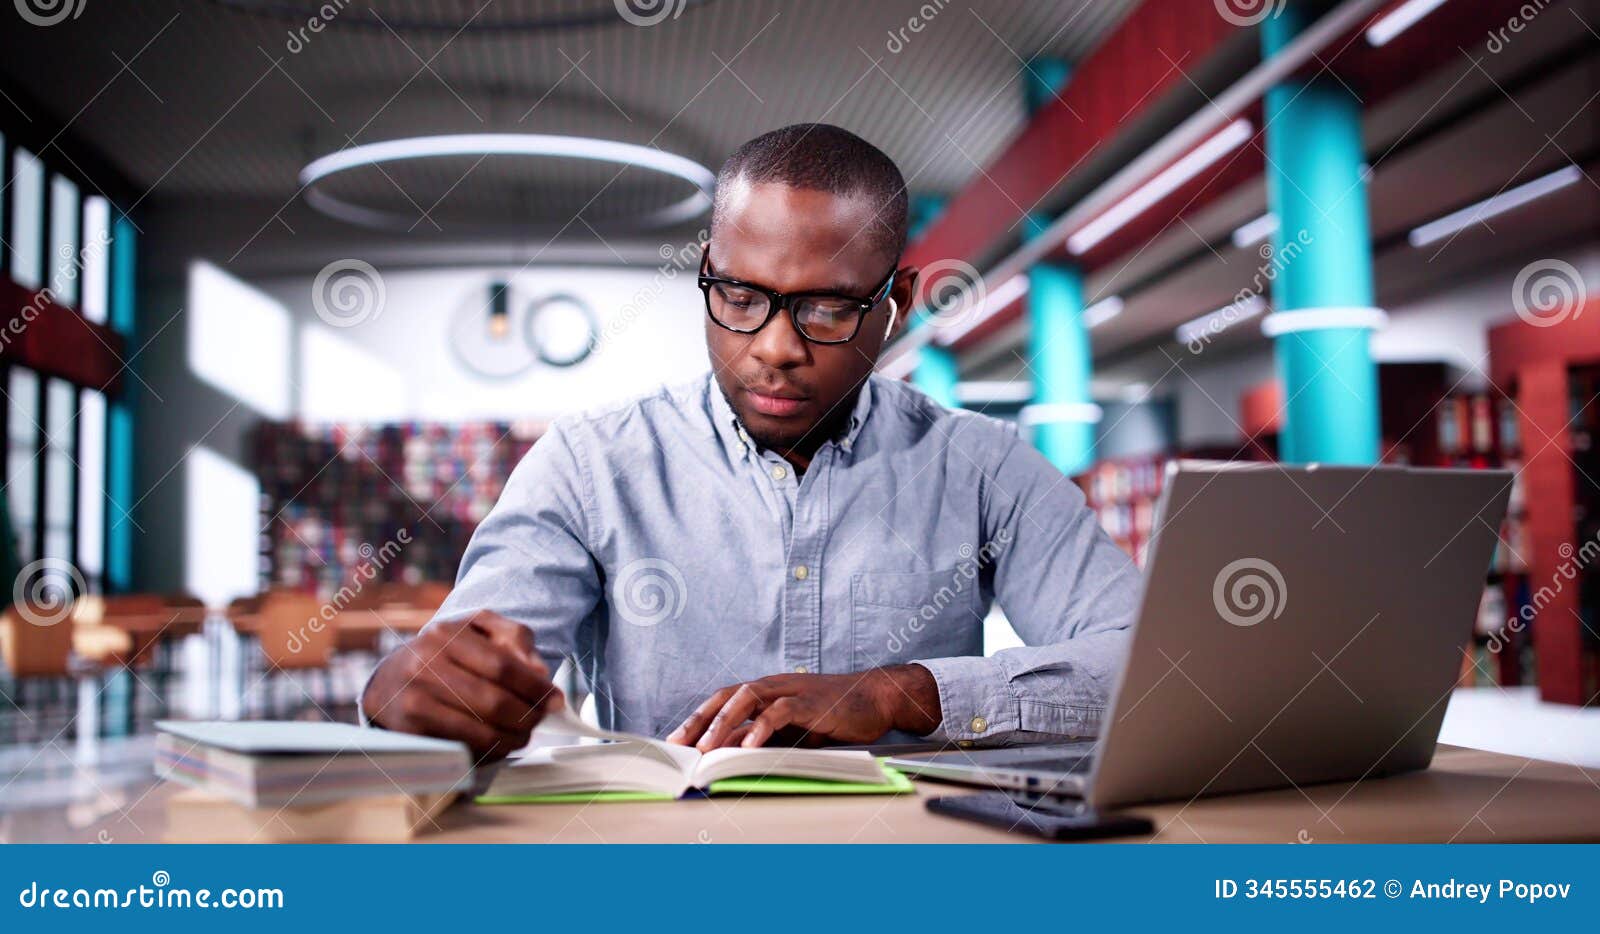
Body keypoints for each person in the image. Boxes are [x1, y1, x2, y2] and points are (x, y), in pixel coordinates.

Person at [360, 123, 1140, 760]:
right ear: (707, 271)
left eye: (829, 309)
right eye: (739, 295)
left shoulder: (983, 466)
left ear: (896, 302)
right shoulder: (589, 466)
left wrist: (896, 691)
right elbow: (463, 672)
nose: (774, 348)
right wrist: (410, 696)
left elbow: (1144, 665)